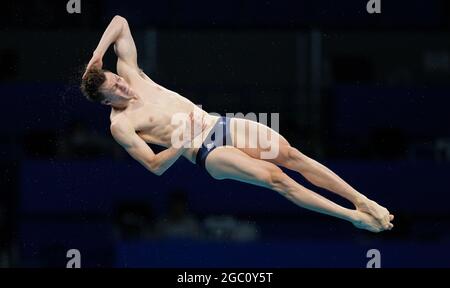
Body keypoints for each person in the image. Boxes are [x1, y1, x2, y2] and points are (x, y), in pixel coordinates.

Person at [81, 16, 394, 233]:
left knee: (291, 154)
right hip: (203, 150)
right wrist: (181, 140)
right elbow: (154, 166)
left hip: (219, 123)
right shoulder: (121, 125)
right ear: (107, 102)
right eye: (117, 91)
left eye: (118, 80)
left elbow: (120, 22)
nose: (124, 86)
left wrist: (96, 55)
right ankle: (353, 217)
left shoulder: (131, 72)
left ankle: (362, 200)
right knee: (277, 178)